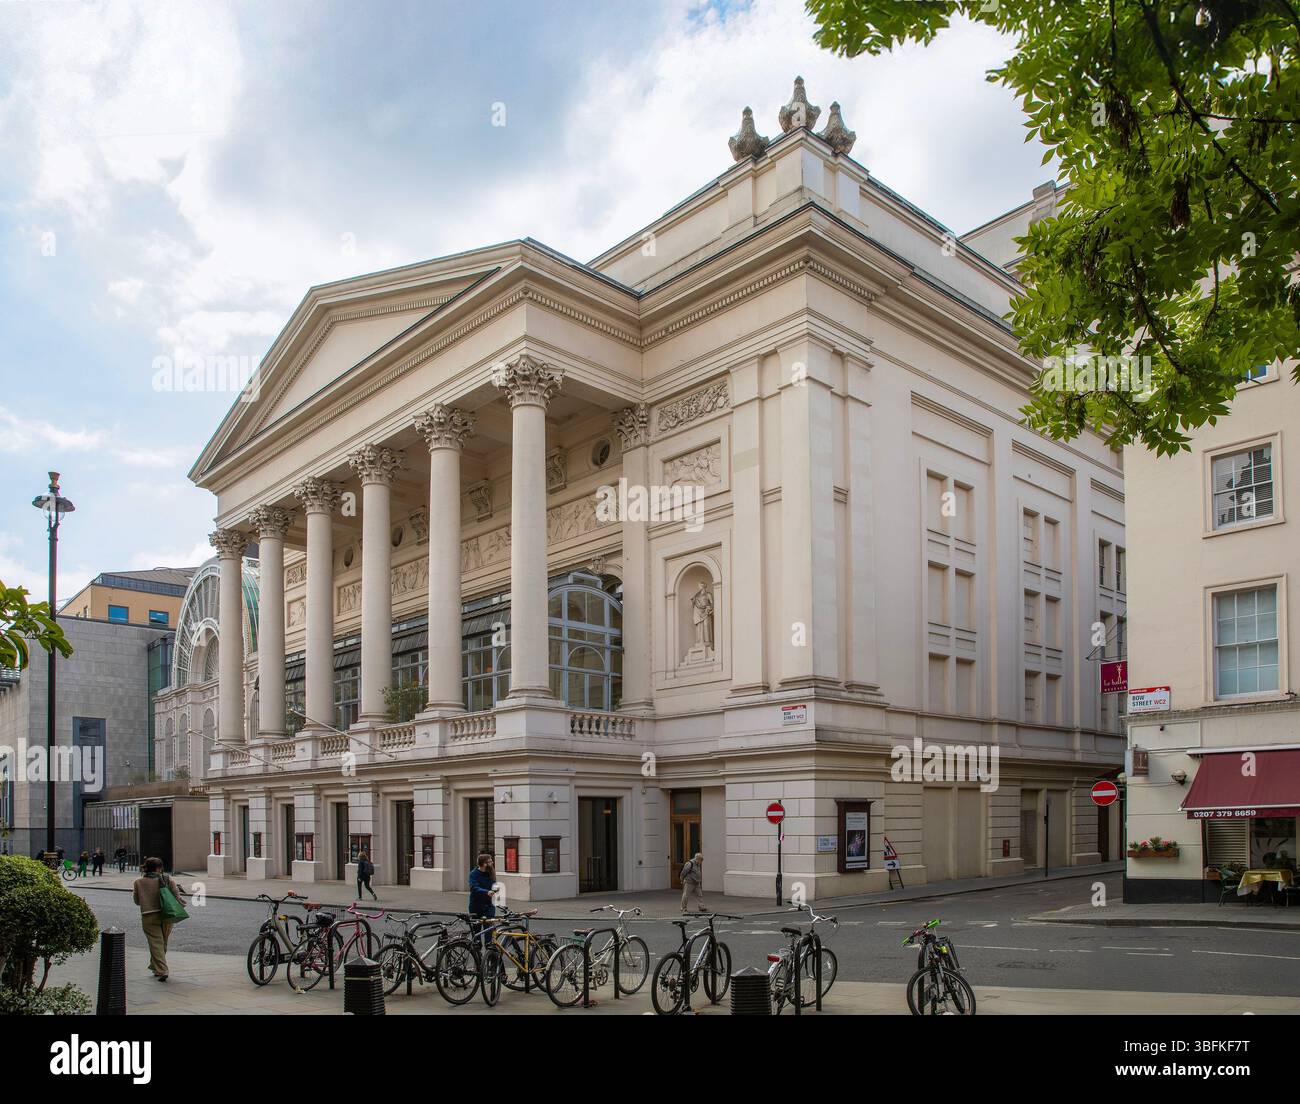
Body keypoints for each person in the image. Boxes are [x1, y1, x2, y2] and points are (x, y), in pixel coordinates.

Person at [132, 857, 188, 982]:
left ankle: (160, 969)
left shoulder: (138, 882)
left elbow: (136, 901)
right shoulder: (167, 879)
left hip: (148, 915)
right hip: (167, 914)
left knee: (155, 943)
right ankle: (158, 968)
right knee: (163, 942)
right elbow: (177, 897)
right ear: (159, 868)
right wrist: (182, 905)